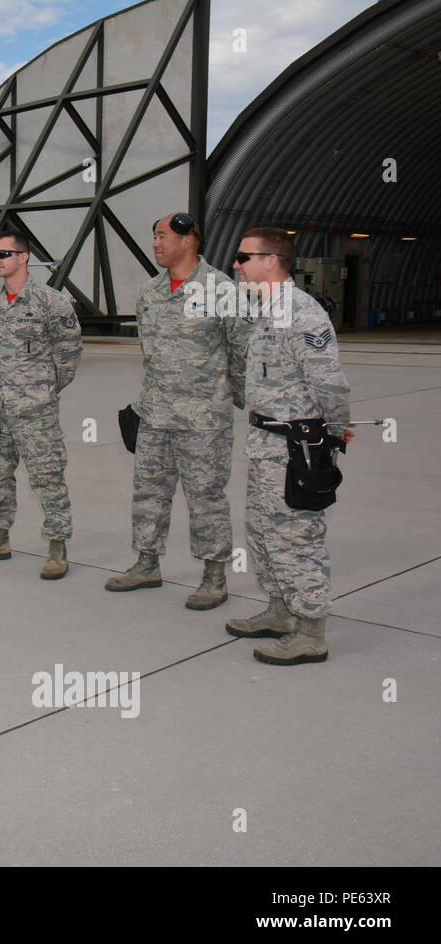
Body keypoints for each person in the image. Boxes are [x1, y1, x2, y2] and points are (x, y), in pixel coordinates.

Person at [106, 212, 249, 609]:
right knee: (148, 493)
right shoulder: (150, 293)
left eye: (162, 236)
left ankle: (214, 574)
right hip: (155, 415)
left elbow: (242, 350)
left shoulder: (220, 289)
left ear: (188, 239)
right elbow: (149, 354)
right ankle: (147, 563)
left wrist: (225, 398)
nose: (155, 243)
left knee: (206, 497)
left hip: (203, 420)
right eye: (154, 236)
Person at [226, 228, 352, 665]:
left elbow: (330, 382)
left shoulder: (302, 313)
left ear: (272, 260)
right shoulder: (264, 311)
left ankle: (311, 630)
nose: (236, 265)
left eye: (244, 257)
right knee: (262, 532)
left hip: (294, 447)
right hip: (265, 442)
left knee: (297, 536)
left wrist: (334, 432)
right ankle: (280, 611)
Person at [0, 229, 82, 579]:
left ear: (23, 257)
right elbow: (0, 357)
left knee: (48, 477)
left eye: (4, 254)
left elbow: (70, 355)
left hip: (36, 410)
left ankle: (57, 547)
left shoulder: (51, 301)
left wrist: (44, 390)